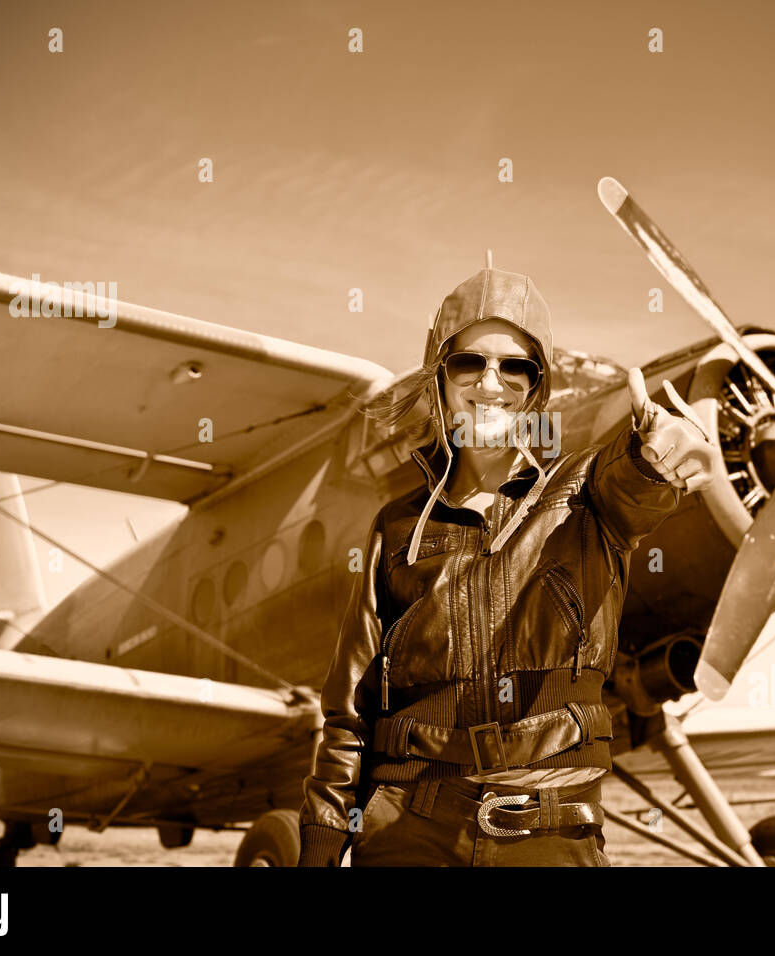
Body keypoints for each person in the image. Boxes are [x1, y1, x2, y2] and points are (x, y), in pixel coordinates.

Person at [297, 262, 720, 866]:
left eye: (515, 365)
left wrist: (657, 459)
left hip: (549, 832)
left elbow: (634, 486)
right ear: (440, 378)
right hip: (406, 833)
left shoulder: (586, 497)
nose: (491, 383)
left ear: (535, 388)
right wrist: (321, 843)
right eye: (470, 362)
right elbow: (350, 713)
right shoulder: (395, 527)